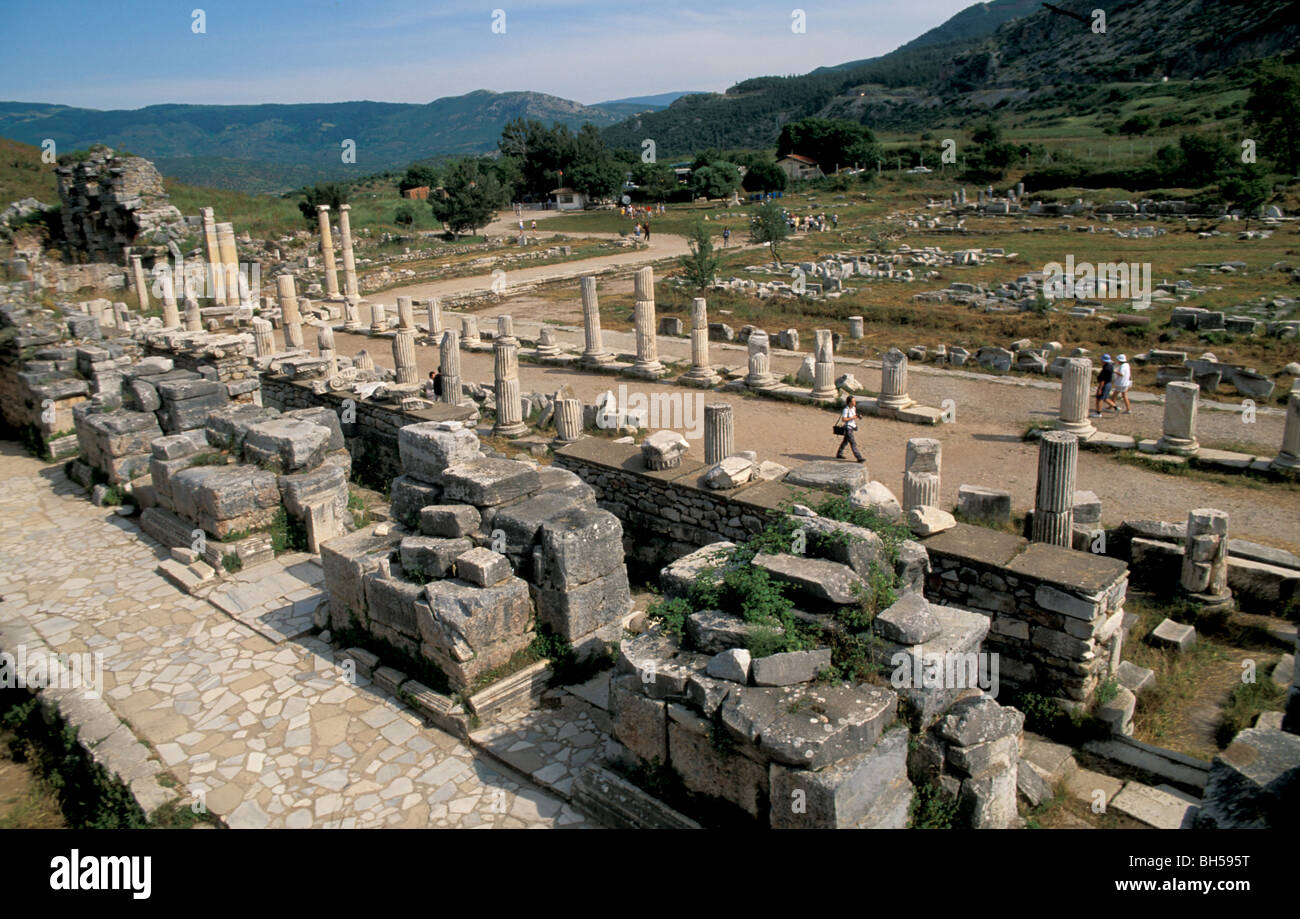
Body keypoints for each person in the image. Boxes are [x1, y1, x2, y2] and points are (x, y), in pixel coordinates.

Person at [835, 395, 866, 463]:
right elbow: (844, 419)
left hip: (851, 427)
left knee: (845, 441)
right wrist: (853, 417)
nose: (855, 402)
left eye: (855, 401)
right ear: (849, 402)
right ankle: (859, 457)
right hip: (848, 428)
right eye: (853, 401)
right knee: (853, 443)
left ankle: (839, 453)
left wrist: (858, 416)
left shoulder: (853, 408)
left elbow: (854, 415)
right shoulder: (846, 410)